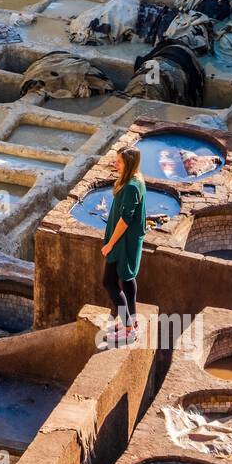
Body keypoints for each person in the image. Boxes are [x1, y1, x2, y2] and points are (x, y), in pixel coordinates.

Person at [100, 146, 147, 346]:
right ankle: (132, 320)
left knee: (109, 282)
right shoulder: (136, 179)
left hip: (123, 240)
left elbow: (125, 221)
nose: (115, 164)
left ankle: (128, 328)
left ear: (128, 164)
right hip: (126, 239)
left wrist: (110, 244)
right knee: (127, 280)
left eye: (118, 162)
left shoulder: (131, 187)